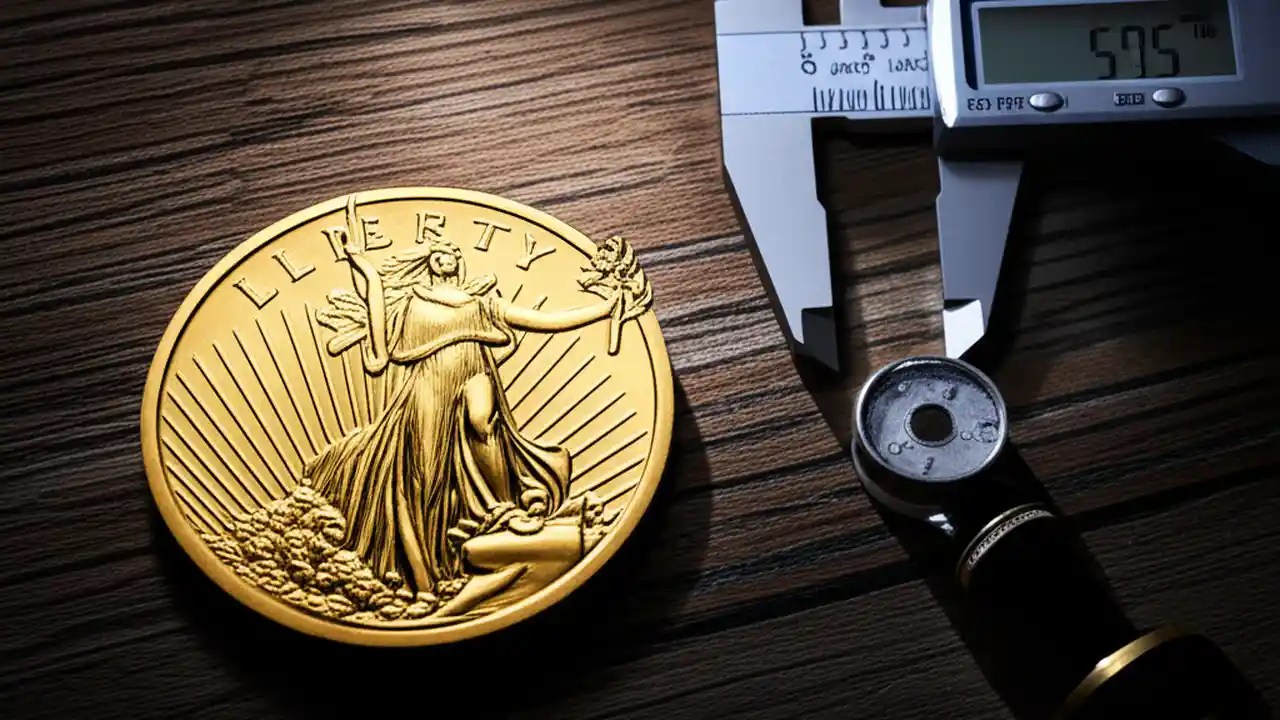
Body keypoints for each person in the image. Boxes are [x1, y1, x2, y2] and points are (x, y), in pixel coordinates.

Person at [308, 197, 626, 600]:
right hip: (427, 386)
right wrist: (364, 266)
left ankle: (501, 509)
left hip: (474, 372)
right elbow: (376, 307)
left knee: (482, 423)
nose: (450, 255)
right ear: (429, 261)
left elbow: (545, 320)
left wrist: (603, 309)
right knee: (425, 468)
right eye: (442, 251)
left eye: (454, 252)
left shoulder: (482, 304)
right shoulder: (409, 303)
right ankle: (429, 561)